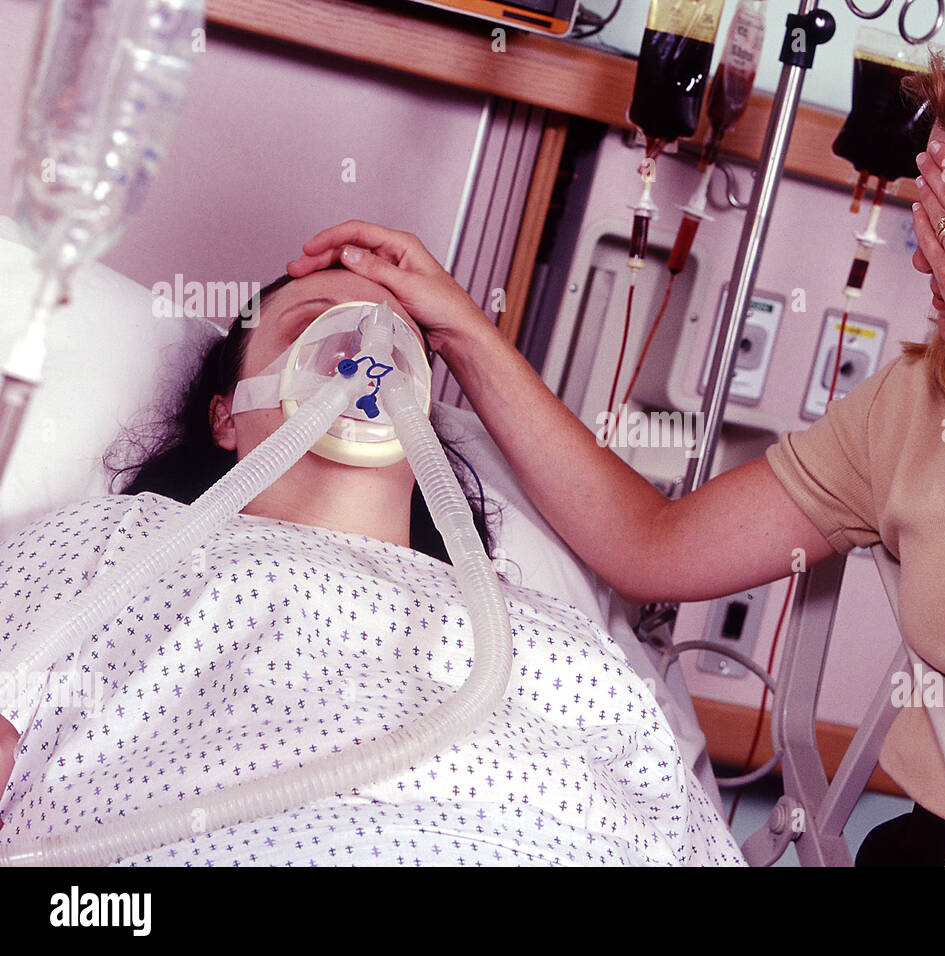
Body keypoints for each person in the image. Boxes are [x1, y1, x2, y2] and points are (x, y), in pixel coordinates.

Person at [279, 31, 945, 866]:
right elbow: (652, 544)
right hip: (927, 848)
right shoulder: (923, 400)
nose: (922, 250)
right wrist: (463, 327)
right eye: (924, 209)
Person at [0, 265, 744, 865]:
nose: (363, 347)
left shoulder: (557, 634)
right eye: (314, 321)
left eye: (396, 343)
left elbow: (688, 839)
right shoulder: (116, 545)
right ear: (226, 414)